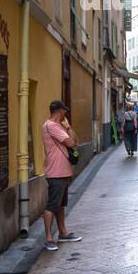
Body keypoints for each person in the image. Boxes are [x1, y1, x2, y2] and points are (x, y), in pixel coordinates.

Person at [41, 100, 82, 253]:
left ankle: (63, 233)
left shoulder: (58, 126)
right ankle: (48, 239)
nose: (66, 113)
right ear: (59, 111)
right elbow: (71, 143)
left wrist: (68, 128)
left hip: (63, 171)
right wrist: (68, 127)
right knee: (52, 205)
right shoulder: (51, 126)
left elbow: (76, 141)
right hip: (56, 171)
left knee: (60, 204)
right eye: (64, 110)